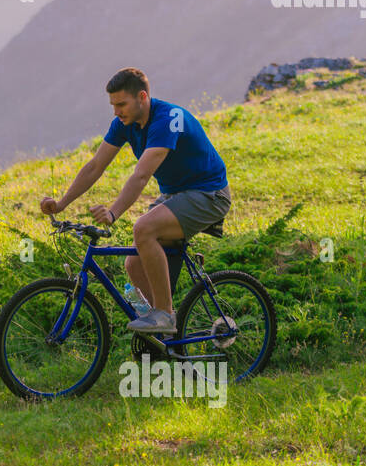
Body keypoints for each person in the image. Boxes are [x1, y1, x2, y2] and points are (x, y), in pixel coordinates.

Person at [39, 67, 231, 335]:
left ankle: (164, 314)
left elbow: (141, 176)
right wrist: (61, 204)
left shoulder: (168, 119)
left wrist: (113, 213)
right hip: (176, 195)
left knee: (143, 229)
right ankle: (165, 334)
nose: (116, 111)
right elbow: (96, 166)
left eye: (121, 104)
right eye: (112, 105)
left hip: (209, 194)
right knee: (133, 262)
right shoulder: (123, 124)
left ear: (142, 97)